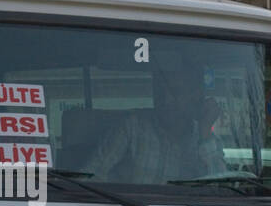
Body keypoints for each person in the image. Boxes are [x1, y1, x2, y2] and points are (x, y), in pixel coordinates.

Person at [86, 63, 227, 183]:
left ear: (195, 97)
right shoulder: (132, 128)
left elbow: (221, 190)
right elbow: (90, 177)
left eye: (174, 92)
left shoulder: (205, 140)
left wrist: (205, 131)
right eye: (160, 91)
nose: (165, 100)